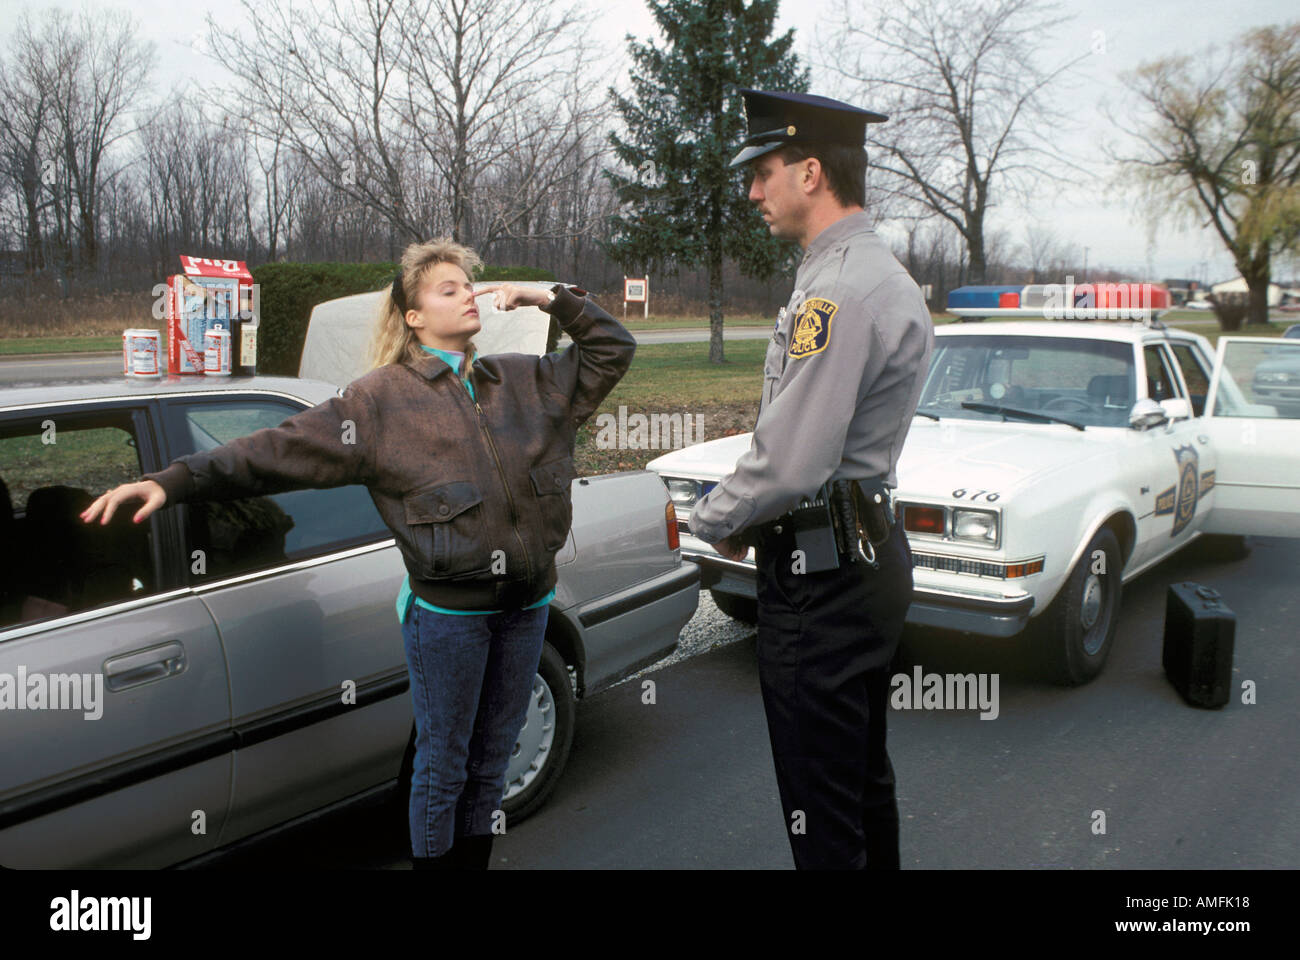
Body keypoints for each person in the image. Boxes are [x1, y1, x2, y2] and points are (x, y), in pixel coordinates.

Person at [79, 239, 636, 870]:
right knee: (444, 761)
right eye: (447, 289)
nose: (469, 295)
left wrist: (547, 297)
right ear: (413, 317)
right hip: (449, 618)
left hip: (528, 605)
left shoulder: (522, 381)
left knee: (495, 753)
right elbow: (274, 449)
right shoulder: (378, 401)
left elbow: (612, 348)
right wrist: (173, 481)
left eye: (468, 284)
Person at [687, 89, 934, 869]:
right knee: (858, 784)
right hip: (861, 555)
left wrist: (704, 519)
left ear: (813, 172)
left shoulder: (838, 289)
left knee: (821, 815)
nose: (752, 192)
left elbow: (793, 461)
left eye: (763, 172)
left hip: (820, 578)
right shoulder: (863, 271)